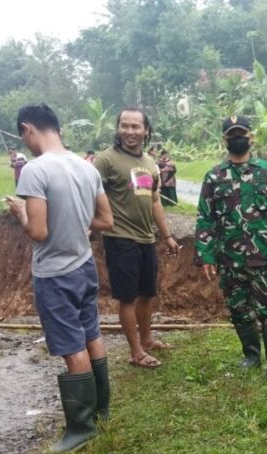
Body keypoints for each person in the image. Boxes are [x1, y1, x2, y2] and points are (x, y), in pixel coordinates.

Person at [5, 104, 114, 452]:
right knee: (91, 332)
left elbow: (38, 231)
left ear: (27, 129)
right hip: (84, 265)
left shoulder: (35, 171)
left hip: (55, 274)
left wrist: (21, 212)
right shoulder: (86, 167)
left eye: (24, 135)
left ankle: (81, 427)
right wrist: (78, 224)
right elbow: (105, 220)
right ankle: (102, 409)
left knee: (71, 344)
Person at [195, 115, 267, 385]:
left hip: (261, 258)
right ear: (225, 140)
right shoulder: (214, 176)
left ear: (251, 137)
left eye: (241, 133)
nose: (237, 138)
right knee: (239, 309)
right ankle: (252, 356)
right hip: (229, 259)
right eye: (231, 135)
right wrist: (205, 254)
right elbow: (205, 217)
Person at [94, 108, 180, 369]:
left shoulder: (150, 163)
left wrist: (166, 236)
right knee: (128, 297)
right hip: (120, 238)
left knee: (146, 294)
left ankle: (147, 339)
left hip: (146, 239)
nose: (129, 131)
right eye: (124, 126)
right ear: (118, 129)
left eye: (135, 127)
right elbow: (89, 194)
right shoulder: (105, 160)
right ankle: (136, 352)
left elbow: (155, 202)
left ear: (146, 131)